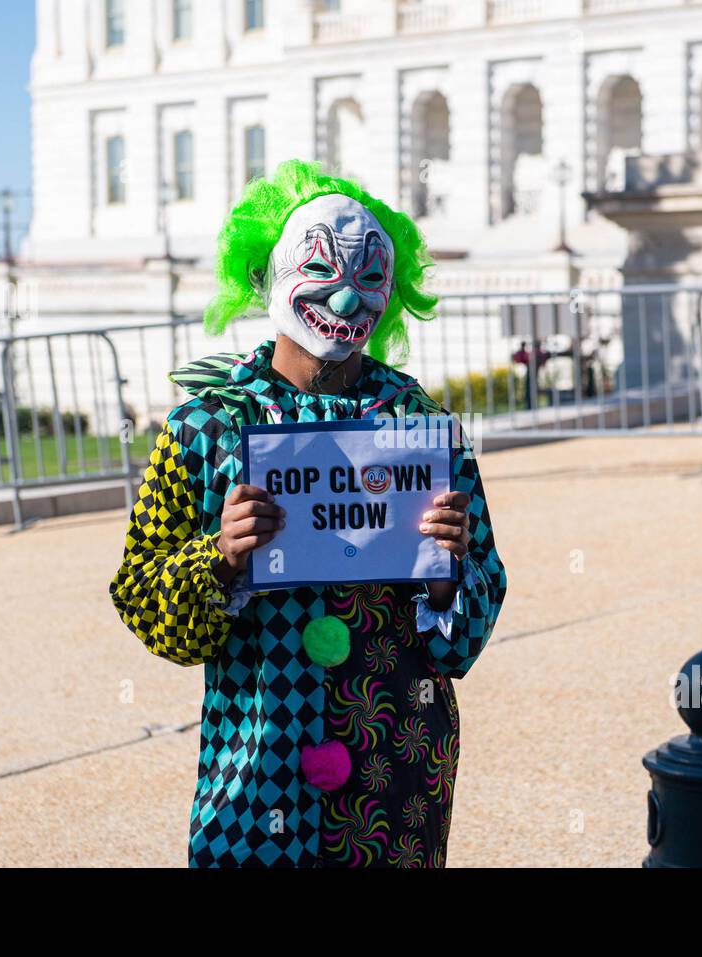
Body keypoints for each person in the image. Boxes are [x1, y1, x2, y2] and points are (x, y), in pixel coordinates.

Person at [108, 160, 506, 867]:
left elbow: (467, 633)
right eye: (320, 266)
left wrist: (448, 579)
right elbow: (141, 595)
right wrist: (219, 558)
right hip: (257, 785)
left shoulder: (423, 427)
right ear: (265, 274)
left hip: (394, 786)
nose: (348, 295)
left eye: (369, 275)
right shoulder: (205, 428)